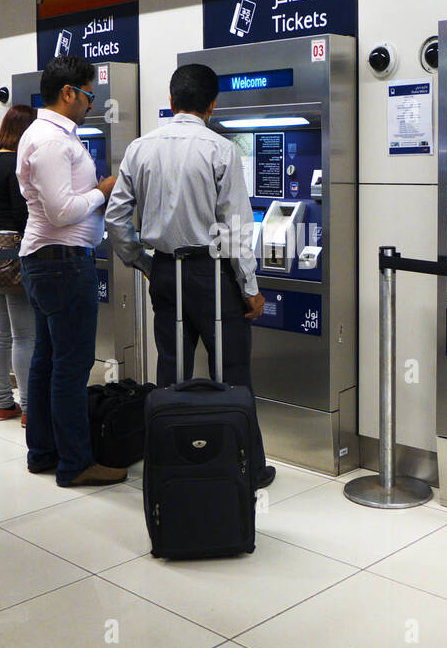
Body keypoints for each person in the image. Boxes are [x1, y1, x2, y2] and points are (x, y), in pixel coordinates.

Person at [105, 63, 275, 489]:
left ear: (170, 100)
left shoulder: (139, 148)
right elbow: (234, 229)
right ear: (213, 105)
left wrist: (144, 263)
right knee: (232, 372)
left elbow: (115, 218)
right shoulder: (220, 150)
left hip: (165, 272)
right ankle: (246, 467)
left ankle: (173, 461)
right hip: (212, 274)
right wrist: (251, 289)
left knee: (172, 371)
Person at [17, 57, 124, 486]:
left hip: (50, 262)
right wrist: (102, 191)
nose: (90, 104)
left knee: (48, 361)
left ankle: (44, 452)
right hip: (60, 262)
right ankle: (75, 463)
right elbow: (62, 211)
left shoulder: (49, 136)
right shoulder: (50, 141)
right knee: (70, 366)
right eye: (88, 95)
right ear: (68, 93)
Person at [0, 104, 36, 425]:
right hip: (15, 255)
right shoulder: (17, 165)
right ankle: (29, 407)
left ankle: (2, 402)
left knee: (0, 333)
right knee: (25, 335)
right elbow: (22, 216)